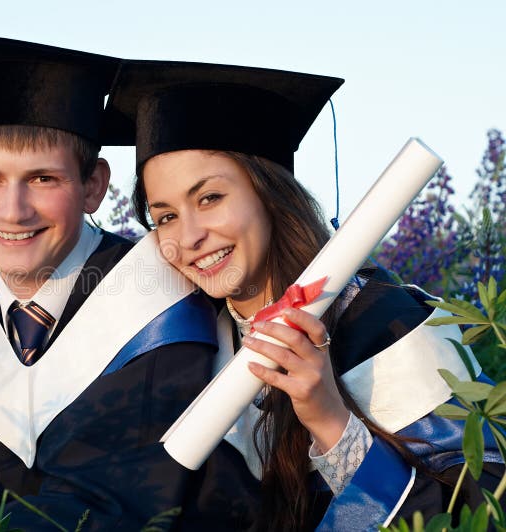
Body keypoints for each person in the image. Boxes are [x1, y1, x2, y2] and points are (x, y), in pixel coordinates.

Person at [0, 37, 258, 531]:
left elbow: (106, 510)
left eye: (43, 179)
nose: (13, 210)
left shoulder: (159, 310)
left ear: (93, 186)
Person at [102, 59, 503, 531]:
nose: (188, 237)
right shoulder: (186, 336)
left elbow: (479, 513)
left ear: (270, 192)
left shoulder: (388, 324)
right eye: (165, 215)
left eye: (209, 198)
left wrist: (330, 419)